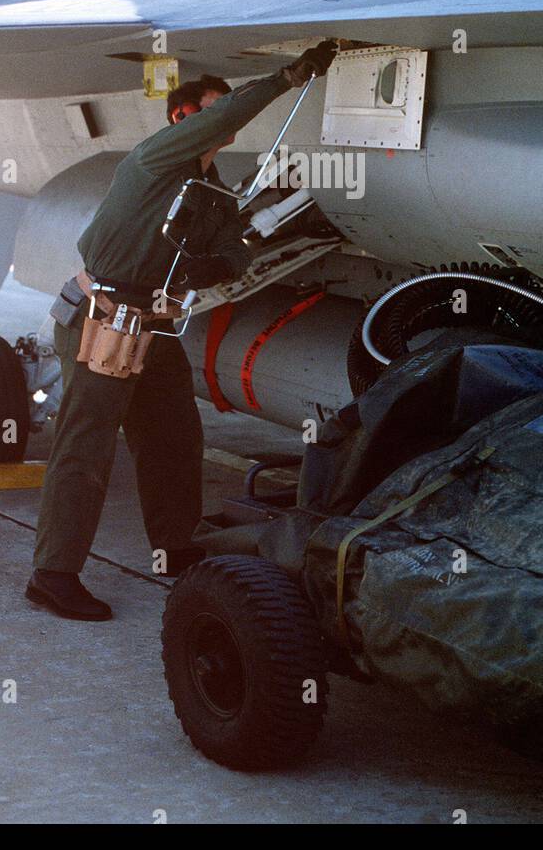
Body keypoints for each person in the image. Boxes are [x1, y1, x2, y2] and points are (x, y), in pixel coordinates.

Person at [26, 40, 338, 620]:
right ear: (182, 118)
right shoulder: (156, 159)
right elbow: (227, 114)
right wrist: (289, 77)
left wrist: (220, 264)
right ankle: (52, 574)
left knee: (172, 439)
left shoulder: (212, 192)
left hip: (154, 328)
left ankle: (174, 551)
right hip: (102, 323)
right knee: (85, 451)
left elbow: (233, 251)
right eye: (214, 112)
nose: (225, 125)